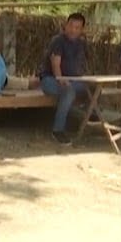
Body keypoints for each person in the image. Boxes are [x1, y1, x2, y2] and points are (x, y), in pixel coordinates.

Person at [39, 12, 91, 145]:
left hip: (73, 80)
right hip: (51, 80)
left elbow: (82, 64)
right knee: (68, 91)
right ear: (66, 25)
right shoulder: (58, 41)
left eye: (77, 27)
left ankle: (87, 121)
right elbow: (55, 62)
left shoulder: (81, 44)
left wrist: (84, 77)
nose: (73, 30)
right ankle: (58, 130)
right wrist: (60, 78)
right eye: (71, 26)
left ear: (82, 29)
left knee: (94, 88)